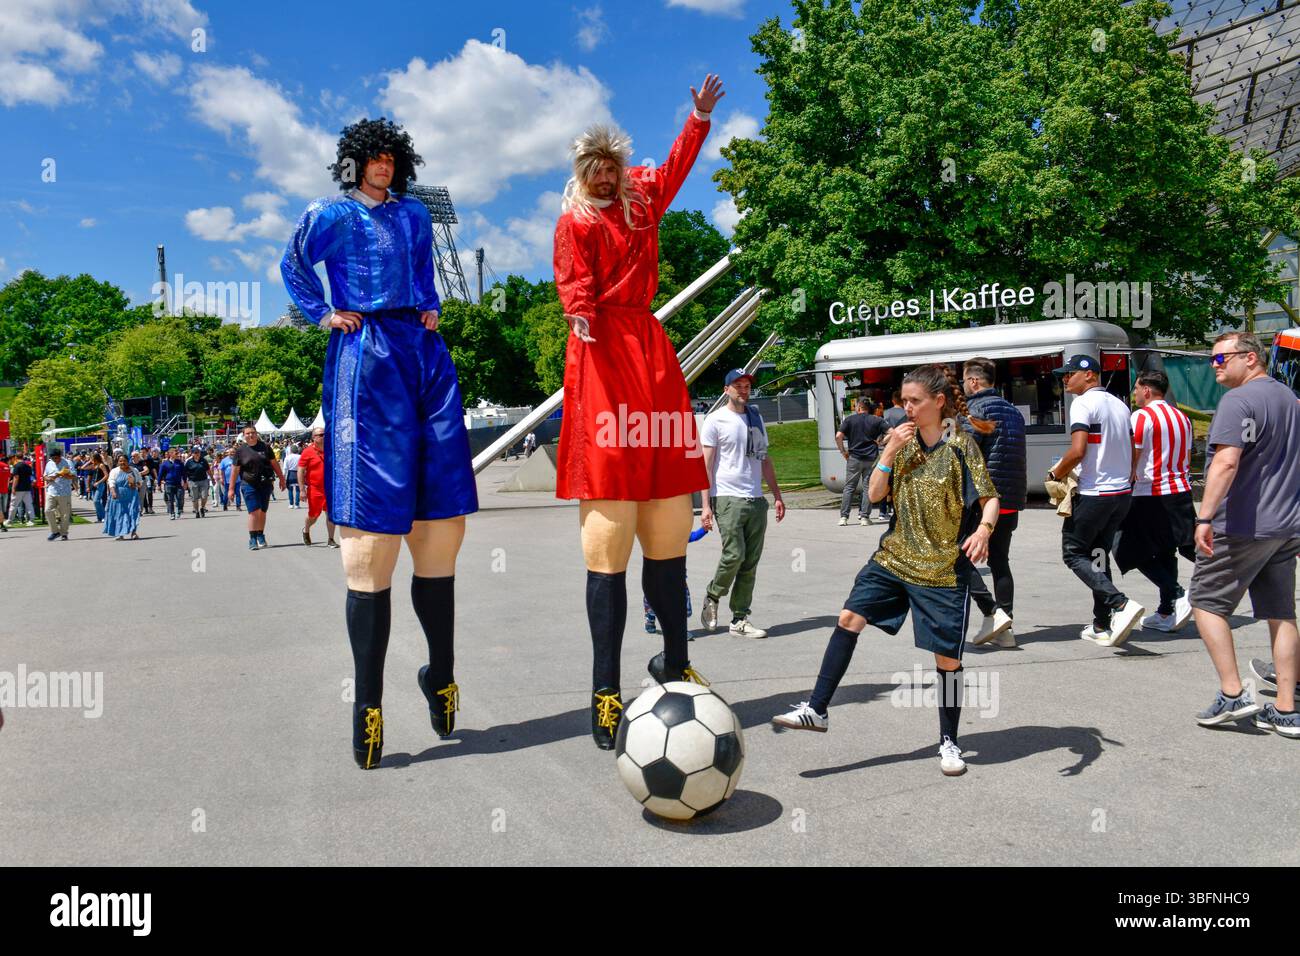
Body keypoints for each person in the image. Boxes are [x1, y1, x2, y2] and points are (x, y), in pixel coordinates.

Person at [281, 117, 478, 769]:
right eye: (375, 157)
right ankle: (368, 705)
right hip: (365, 353)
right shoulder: (329, 214)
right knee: (372, 530)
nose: (385, 165)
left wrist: (431, 306)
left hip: (421, 351)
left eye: (393, 157)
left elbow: (424, 272)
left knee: (443, 517)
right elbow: (293, 265)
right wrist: (321, 313)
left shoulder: (416, 215)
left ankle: (441, 670)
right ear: (356, 162)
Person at [552, 74, 724, 749]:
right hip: (600, 354)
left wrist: (699, 118)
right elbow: (572, 277)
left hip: (648, 351)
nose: (603, 178)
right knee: (609, 522)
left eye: (611, 168)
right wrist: (579, 312)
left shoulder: (642, 198)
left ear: (621, 167)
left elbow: (679, 163)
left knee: (667, 516)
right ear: (581, 173)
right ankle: (604, 689)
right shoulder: (576, 219)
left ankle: (675, 661)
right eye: (592, 171)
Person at [772, 364, 1000, 777]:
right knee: (848, 618)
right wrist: (890, 450)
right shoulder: (902, 443)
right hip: (893, 558)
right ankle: (817, 709)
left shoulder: (961, 445)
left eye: (914, 402)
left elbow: (989, 498)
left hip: (941, 569)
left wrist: (984, 529)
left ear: (938, 402)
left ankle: (949, 741)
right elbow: (875, 494)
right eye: (903, 401)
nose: (906, 409)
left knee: (947, 660)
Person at [1189, 332, 1300, 736]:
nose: (1214, 366)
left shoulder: (1238, 401)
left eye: (1221, 359)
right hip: (1286, 525)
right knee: (1281, 613)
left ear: (1250, 358)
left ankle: (1234, 694)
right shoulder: (1289, 399)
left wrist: (1203, 517)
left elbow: (1225, 463)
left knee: (1205, 601)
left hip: (1241, 525)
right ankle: (1287, 709)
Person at [1048, 354, 1144, 647]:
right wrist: (1127, 479)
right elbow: (1133, 448)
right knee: (1099, 554)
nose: (1065, 379)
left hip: (1095, 493)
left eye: (1070, 373)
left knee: (1073, 552)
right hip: (1120, 495)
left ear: (1089, 375)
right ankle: (1102, 624)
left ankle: (1120, 604)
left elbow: (1077, 451)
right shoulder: (1119, 404)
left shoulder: (1083, 403)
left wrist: (1056, 471)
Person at [699, 368, 786, 638]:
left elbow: (765, 459)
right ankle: (713, 596)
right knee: (734, 554)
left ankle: (739, 619)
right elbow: (706, 465)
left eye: (747, 385)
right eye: (738, 385)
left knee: (750, 562)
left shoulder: (755, 418)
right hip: (727, 497)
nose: (744, 389)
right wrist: (705, 505)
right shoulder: (716, 420)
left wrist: (777, 495)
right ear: (727, 390)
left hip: (756, 499)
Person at [1115, 369, 1195, 633]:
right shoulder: (1181, 417)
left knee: (1127, 549)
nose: (1135, 393)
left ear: (1147, 390)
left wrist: (1124, 483)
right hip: (1180, 489)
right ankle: (1166, 610)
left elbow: (1133, 454)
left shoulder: (1142, 416)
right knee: (1165, 550)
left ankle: (1176, 593)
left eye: (1137, 389)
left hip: (1150, 493)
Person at [961, 357, 1027, 649]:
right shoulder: (1014, 411)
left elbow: (964, 454)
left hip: (984, 501)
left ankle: (993, 612)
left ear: (974, 381)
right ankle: (1005, 627)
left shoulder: (976, 409)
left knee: (957, 556)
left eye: (964, 381)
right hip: (1011, 499)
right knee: (1000, 561)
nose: (964, 386)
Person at [229, 425, 285, 550]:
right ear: (244, 436)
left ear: (256, 433)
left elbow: (274, 463)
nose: (251, 435)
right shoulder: (240, 451)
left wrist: (282, 479)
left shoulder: (265, 447)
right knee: (254, 511)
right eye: (248, 433)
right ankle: (252, 538)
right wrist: (231, 488)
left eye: (253, 433)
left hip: (265, 484)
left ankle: (260, 534)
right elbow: (235, 470)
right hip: (249, 484)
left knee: (262, 511)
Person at [835, 397, 887, 526]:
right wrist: (881, 441)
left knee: (849, 487)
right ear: (868, 408)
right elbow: (892, 432)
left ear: (858, 407)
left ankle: (844, 517)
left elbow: (838, 436)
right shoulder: (876, 420)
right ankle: (864, 517)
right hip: (871, 458)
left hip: (854, 458)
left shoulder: (849, 420)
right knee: (867, 487)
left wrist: (843, 451)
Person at [297, 426, 338, 548]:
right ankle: (306, 529)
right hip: (315, 489)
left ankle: (331, 539)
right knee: (314, 516)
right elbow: (300, 471)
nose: (323, 436)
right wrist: (302, 490)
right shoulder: (307, 452)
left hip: (330, 488)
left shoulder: (332, 449)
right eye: (320, 435)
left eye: (324, 434)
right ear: (314, 438)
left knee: (330, 514)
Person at [102, 453, 141, 541]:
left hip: (132, 496)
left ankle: (133, 532)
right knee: (119, 514)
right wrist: (113, 492)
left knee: (133, 513)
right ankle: (120, 533)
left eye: (124, 461)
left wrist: (133, 483)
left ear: (128, 461)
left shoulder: (134, 470)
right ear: (118, 462)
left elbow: (139, 483)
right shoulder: (115, 471)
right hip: (119, 496)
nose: (122, 462)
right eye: (120, 461)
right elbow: (111, 482)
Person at [42, 447, 75, 541]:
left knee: (65, 514)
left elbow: (73, 475)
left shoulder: (68, 463)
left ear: (60, 456)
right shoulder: (49, 463)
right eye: (52, 458)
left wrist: (63, 475)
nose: (54, 460)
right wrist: (49, 478)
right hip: (51, 491)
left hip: (64, 492)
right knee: (47, 510)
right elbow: (45, 476)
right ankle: (55, 531)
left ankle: (64, 533)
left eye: (56, 458)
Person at [183, 446, 212, 518]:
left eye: (198, 452)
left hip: (203, 480)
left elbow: (208, 470)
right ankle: (196, 511)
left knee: (204, 496)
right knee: (194, 497)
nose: (197, 454)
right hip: (193, 481)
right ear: (192, 454)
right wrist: (185, 482)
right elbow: (185, 473)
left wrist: (212, 479)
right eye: (195, 453)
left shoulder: (203, 460)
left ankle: (202, 507)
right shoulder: (189, 462)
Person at [158, 448, 185, 520]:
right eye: (175, 453)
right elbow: (160, 474)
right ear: (170, 454)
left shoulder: (180, 463)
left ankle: (179, 510)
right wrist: (158, 484)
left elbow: (184, 473)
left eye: (177, 453)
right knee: (170, 499)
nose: (177, 455)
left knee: (180, 498)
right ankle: (172, 513)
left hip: (178, 484)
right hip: (169, 484)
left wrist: (185, 482)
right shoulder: (165, 464)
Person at [9, 455, 34, 526]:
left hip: (18, 489)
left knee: (13, 505)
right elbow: (30, 476)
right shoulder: (28, 466)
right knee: (29, 505)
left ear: (16, 458)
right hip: (27, 488)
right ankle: (31, 520)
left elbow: (16, 478)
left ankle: (10, 520)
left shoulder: (16, 466)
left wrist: (13, 488)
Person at [283, 443, 301, 509]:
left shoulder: (287, 457)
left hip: (290, 473)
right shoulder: (300, 457)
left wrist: (283, 477)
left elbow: (285, 468)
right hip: (298, 473)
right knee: (298, 490)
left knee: (290, 490)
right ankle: (297, 504)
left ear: (291, 450)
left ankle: (291, 504)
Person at [0, 454, 10, 532]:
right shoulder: (7, 466)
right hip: (5, 490)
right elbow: (8, 478)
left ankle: (2, 525)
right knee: (3, 509)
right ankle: (2, 525)